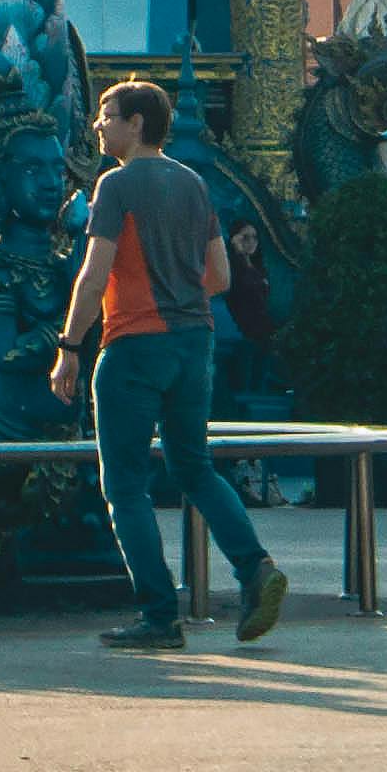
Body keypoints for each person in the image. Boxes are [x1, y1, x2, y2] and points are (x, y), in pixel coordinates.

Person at [47, 74, 285, 653]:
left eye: (107, 114)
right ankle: (254, 568)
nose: (99, 124)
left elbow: (94, 270)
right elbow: (221, 278)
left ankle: (159, 614)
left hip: (133, 345)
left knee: (124, 486)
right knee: (194, 467)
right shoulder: (195, 184)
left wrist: (69, 347)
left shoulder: (117, 185)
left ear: (136, 124)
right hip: (193, 341)